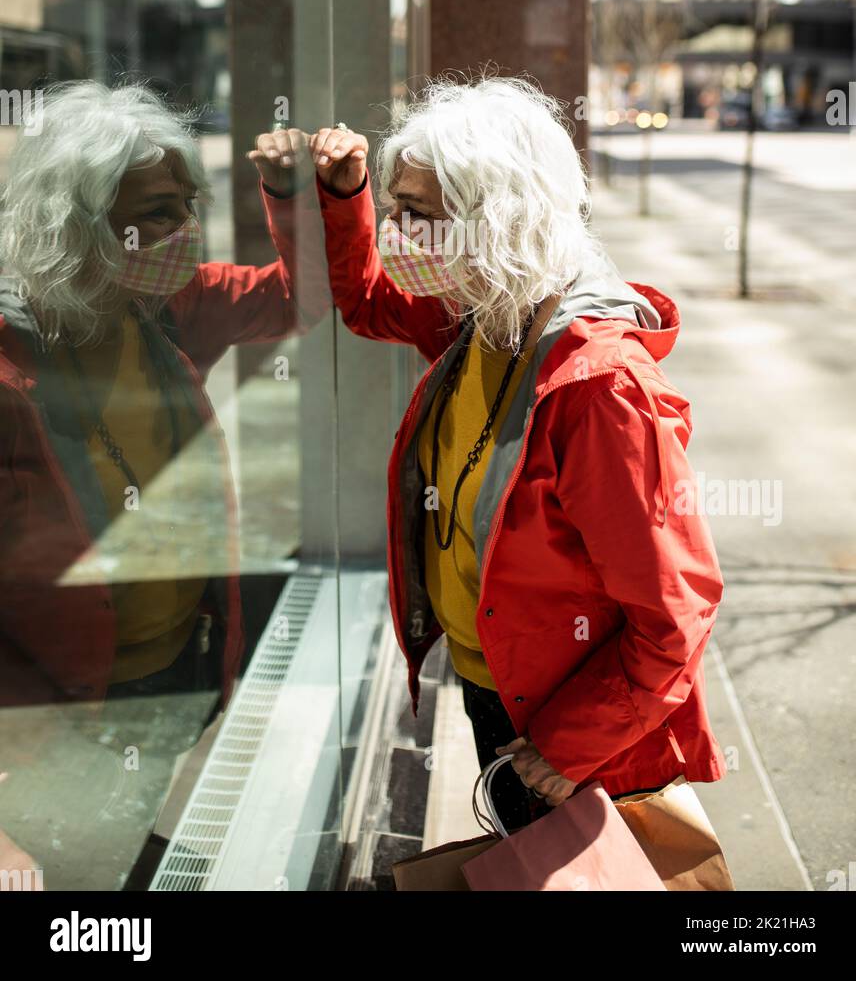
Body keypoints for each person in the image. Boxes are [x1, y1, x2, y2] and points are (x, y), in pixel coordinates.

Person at [306, 74, 727, 833]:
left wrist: (569, 747)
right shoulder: (486, 317)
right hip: (495, 687)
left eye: (416, 215)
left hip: (563, 729)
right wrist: (348, 197)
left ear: (496, 223)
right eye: (395, 211)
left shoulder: (598, 390)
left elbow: (675, 613)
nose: (397, 232)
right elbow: (368, 302)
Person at [0, 80, 329, 888]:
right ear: (74, 221)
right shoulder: (10, 368)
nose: (185, 230)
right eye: (156, 212)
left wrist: (295, 197)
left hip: (183, 671)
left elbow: (306, 297)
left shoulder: (166, 306)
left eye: (187, 205)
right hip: (52, 718)